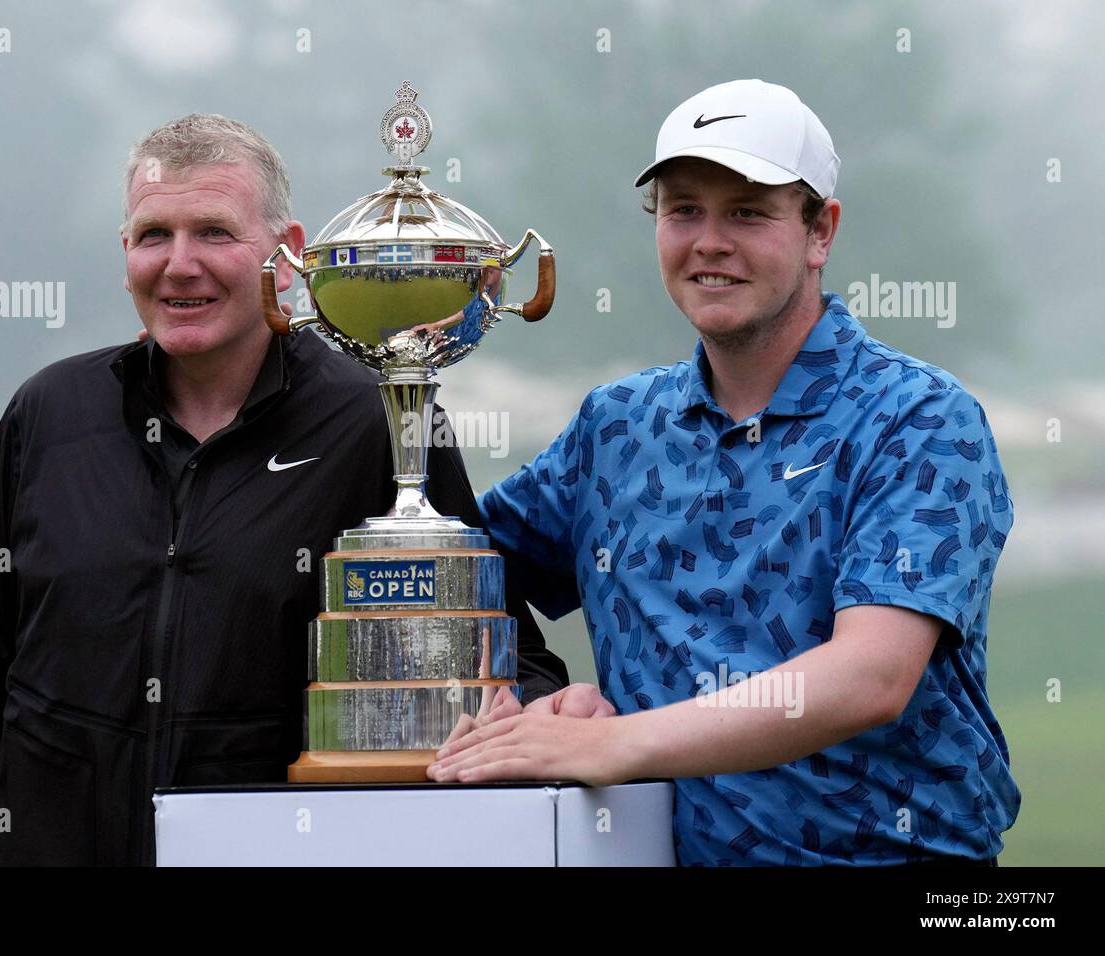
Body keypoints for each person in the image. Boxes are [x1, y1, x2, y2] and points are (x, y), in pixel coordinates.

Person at [0, 113, 566, 866]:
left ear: (285, 258)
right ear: (125, 254)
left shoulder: (376, 423)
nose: (179, 264)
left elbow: (505, 655)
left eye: (214, 233)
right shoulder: (48, 414)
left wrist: (532, 709)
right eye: (154, 235)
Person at [428, 80, 1020, 866]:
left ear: (820, 231)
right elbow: (460, 571)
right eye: (684, 210)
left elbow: (870, 676)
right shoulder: (617, 425)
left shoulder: (919, 418)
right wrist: (540, 695)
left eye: (747, 212)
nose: (709, 241)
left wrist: (616, 745)